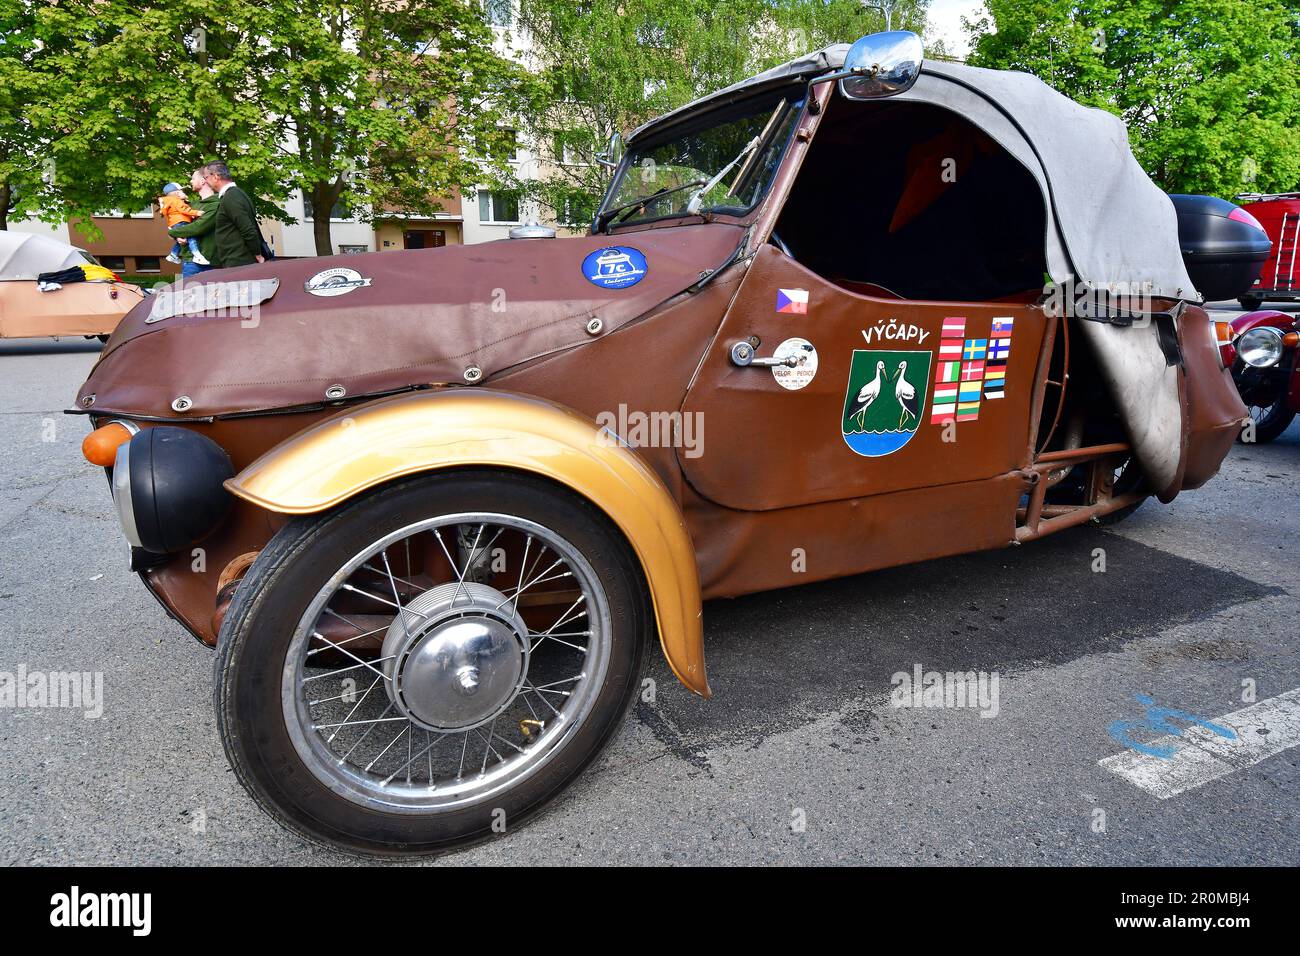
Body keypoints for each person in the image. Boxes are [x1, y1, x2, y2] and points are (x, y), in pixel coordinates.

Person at [201, 160, 264, 268]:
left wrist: (257, 254)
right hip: (238, 261)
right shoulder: (237, 194)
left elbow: (247, 229)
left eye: (206, 177)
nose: (205, 181)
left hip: (239, 262)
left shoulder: (231, 197)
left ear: (216, 177)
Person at [167, 169, 222, 277]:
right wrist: (178, 237)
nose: (191, 181)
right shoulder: (192, 206)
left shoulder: (215, 205)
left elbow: (197, 228)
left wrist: (173, 232)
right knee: (185, 293)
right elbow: (182, 224)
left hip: (208, 262)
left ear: (202, 181)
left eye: (193, 178)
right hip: (189, 261)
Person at [159, 183, 210, 266]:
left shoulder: (170, 202)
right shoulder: (176, 201)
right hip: (181, 222)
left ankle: (173, 255)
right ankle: (197, 255)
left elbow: (175, 215)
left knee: (183, 239)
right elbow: (184, 210)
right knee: (191, 237)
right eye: (182, 191)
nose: (184, 193)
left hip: (177, 223)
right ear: (177, 193)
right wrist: (197, 213)